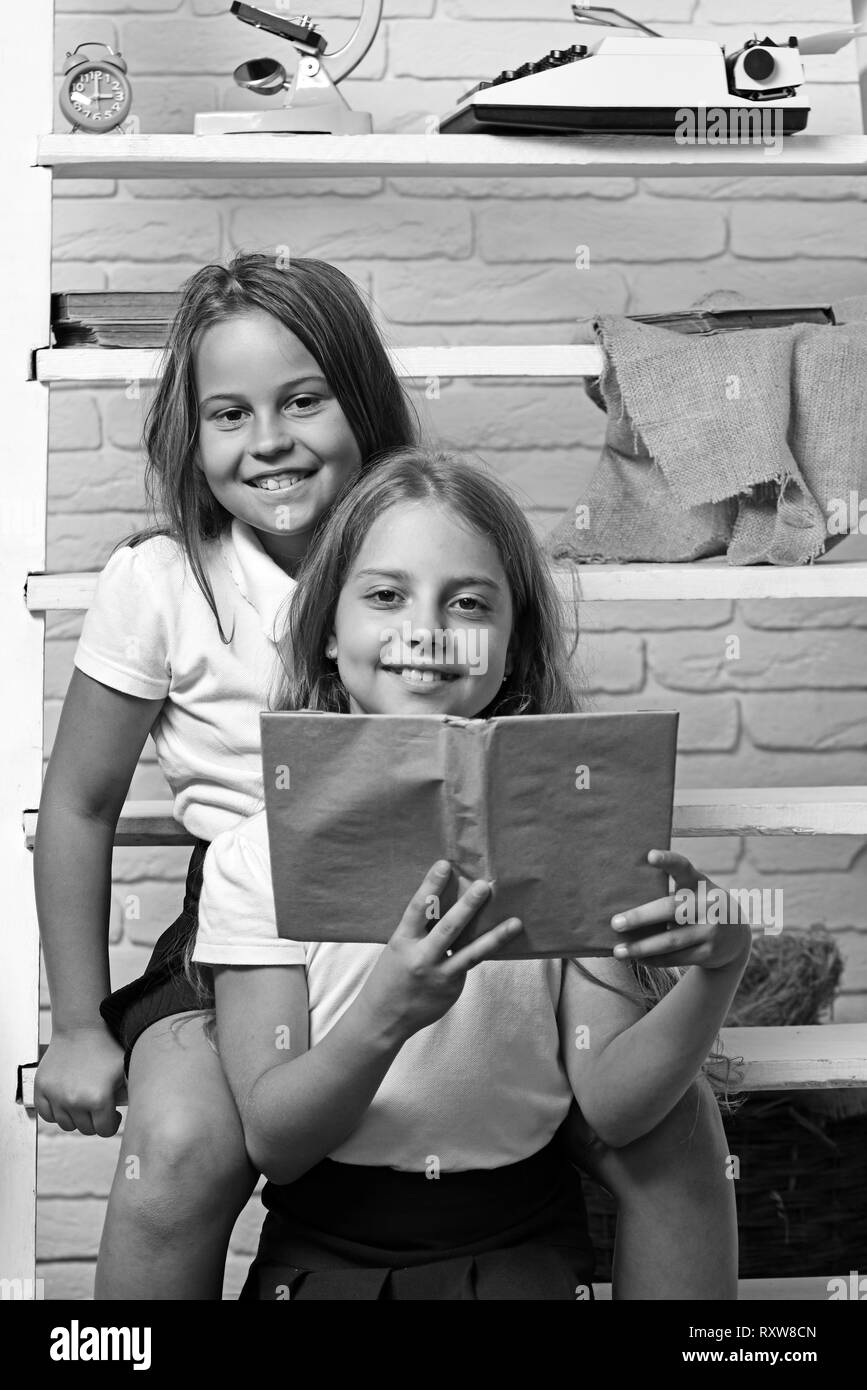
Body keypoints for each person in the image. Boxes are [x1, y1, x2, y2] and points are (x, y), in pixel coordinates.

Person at [193, 448, 751, 1300]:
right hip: (327, 1250)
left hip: (523, 1242)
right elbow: (276, 1139)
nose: (427, 632)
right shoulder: (253, 858)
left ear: (513, 643)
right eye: (384, 596)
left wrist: (717, 971)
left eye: (468, 603)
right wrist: (388, 1011)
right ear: (328, 633)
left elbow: (614, 1104)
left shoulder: (579, 834)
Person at [33, 251, 418, 1300]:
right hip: (233, 935)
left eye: (303, 400)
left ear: (364, 403)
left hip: (422, 908)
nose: (271, 442)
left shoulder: (426, 544)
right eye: (230, 414)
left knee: (661, 1129)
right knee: (175, 1152)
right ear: (189, 432)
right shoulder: (158, 582)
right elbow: (78, 801)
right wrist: (75, 1023)